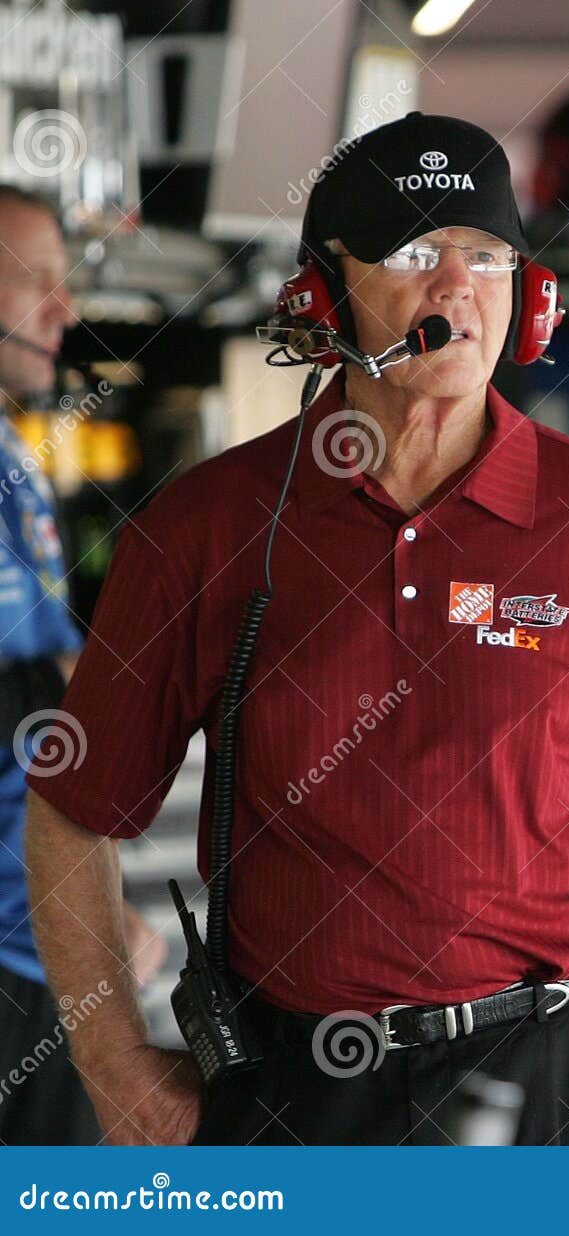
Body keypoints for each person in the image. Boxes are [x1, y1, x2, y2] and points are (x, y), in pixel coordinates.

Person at [23, 113, 569, 1148]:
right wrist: (110, 1064)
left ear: (529, 298)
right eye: (414, 253)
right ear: (323, 294)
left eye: (487, 257)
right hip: (298, 1094)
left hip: (559, 1086)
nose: (456, 289)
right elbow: (71, 810)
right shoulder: (207, 529)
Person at [0, 184, 162, 1145]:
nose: (65, 311)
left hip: (46, 940)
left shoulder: (17, 457)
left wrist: (98, 913)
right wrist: (63, 685)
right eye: (37, 284)